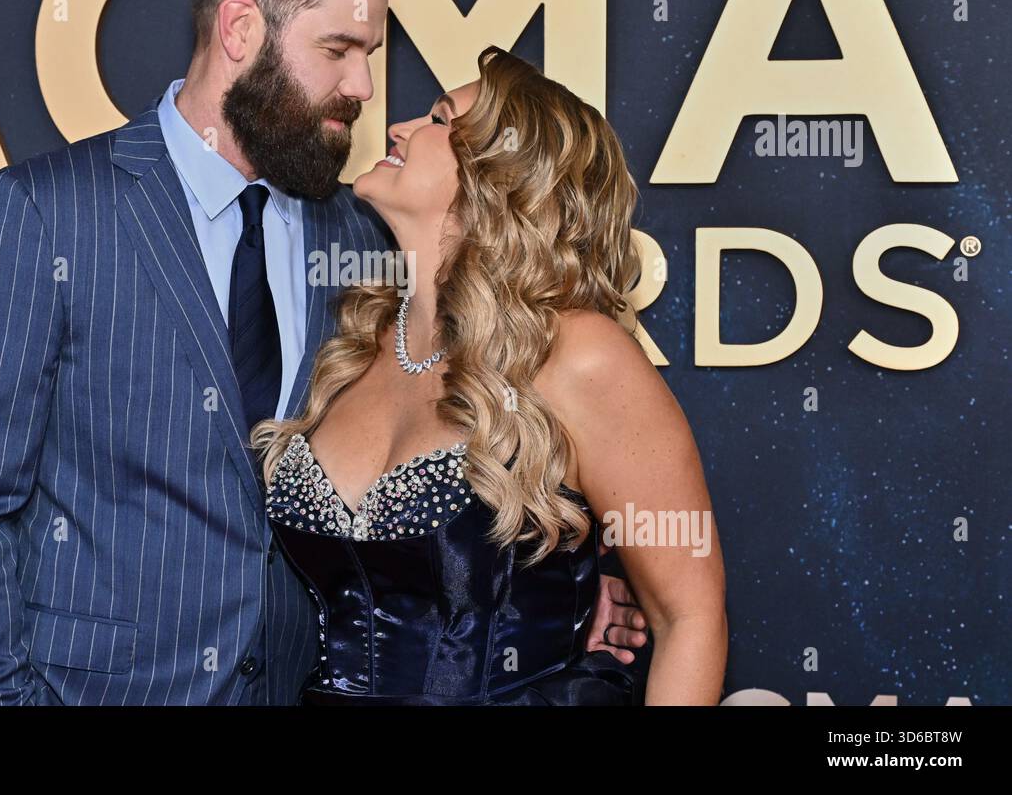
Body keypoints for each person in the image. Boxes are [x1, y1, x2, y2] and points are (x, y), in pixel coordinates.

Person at [0, 0, 648, 706]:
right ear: (240, 30)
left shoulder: (367, 237)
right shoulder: (45, 215)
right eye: (339, 50)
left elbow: (509, 421)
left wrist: (558, 595)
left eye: (370, 55)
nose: (364, 87)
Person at [252, 46, 726, 705]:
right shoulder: (354, 343)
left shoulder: (578, 355)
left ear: (501, 174)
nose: (399, 128)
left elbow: (690, 618)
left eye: (439, 120)